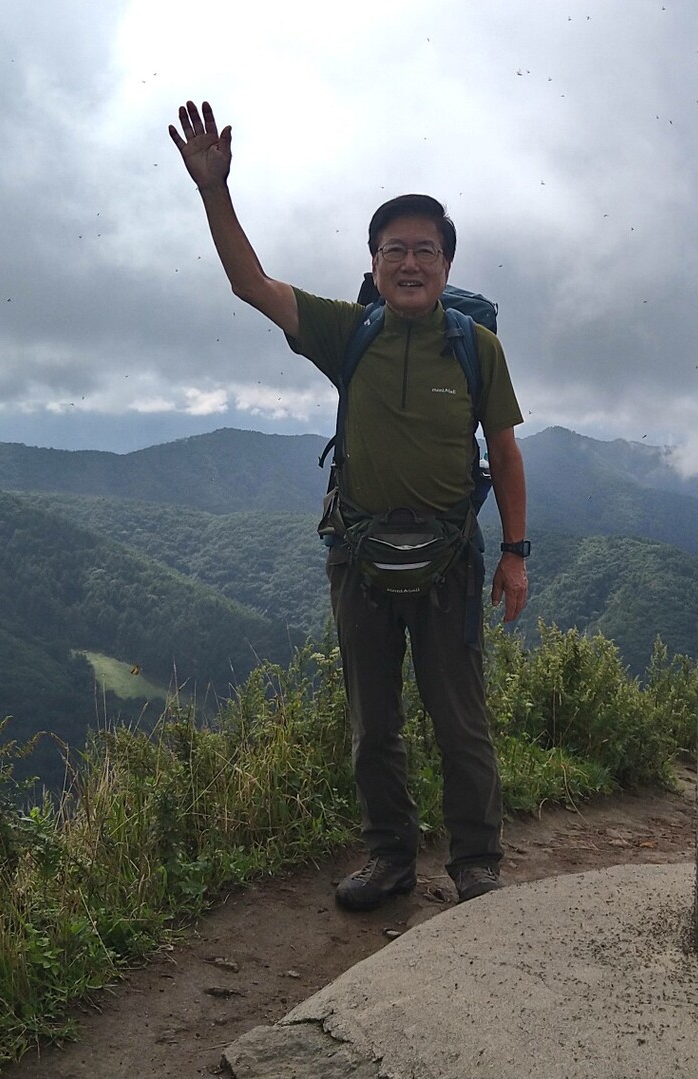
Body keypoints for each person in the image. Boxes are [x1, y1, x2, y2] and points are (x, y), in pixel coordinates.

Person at [169, 101, 529, 911]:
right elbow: (249, 284)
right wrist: (214, 191)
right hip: (359, 558)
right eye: (395, 249)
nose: (410, 262)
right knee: (374, 725)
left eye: (425, 250)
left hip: (450, 561)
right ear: (372, 263)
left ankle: (476, 864)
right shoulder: (348, 332)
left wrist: (515, 552)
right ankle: (389, 857)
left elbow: (504, 452)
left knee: (461, 720)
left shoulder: (476, 347)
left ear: (445, 265)